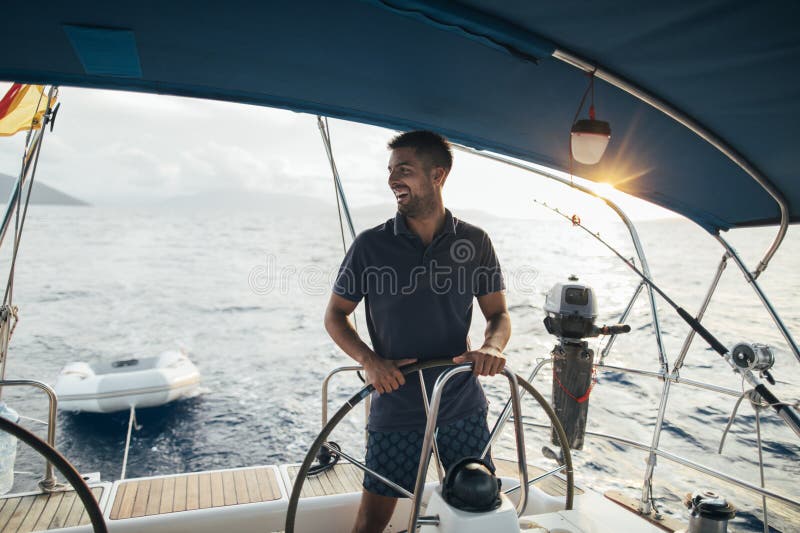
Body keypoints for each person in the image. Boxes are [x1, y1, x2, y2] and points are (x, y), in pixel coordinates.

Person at [324, 130, 511, 533]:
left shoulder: (475, 242)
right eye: (390, 171)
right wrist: (369, 362)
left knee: (476, 503)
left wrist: (492, 346)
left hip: (461, 400)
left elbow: (498, 315)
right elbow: (336, 316)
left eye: (403, 171)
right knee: (374, 519)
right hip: (396, 401)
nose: (392, 180)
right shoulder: (370, 246)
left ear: (437, 175)